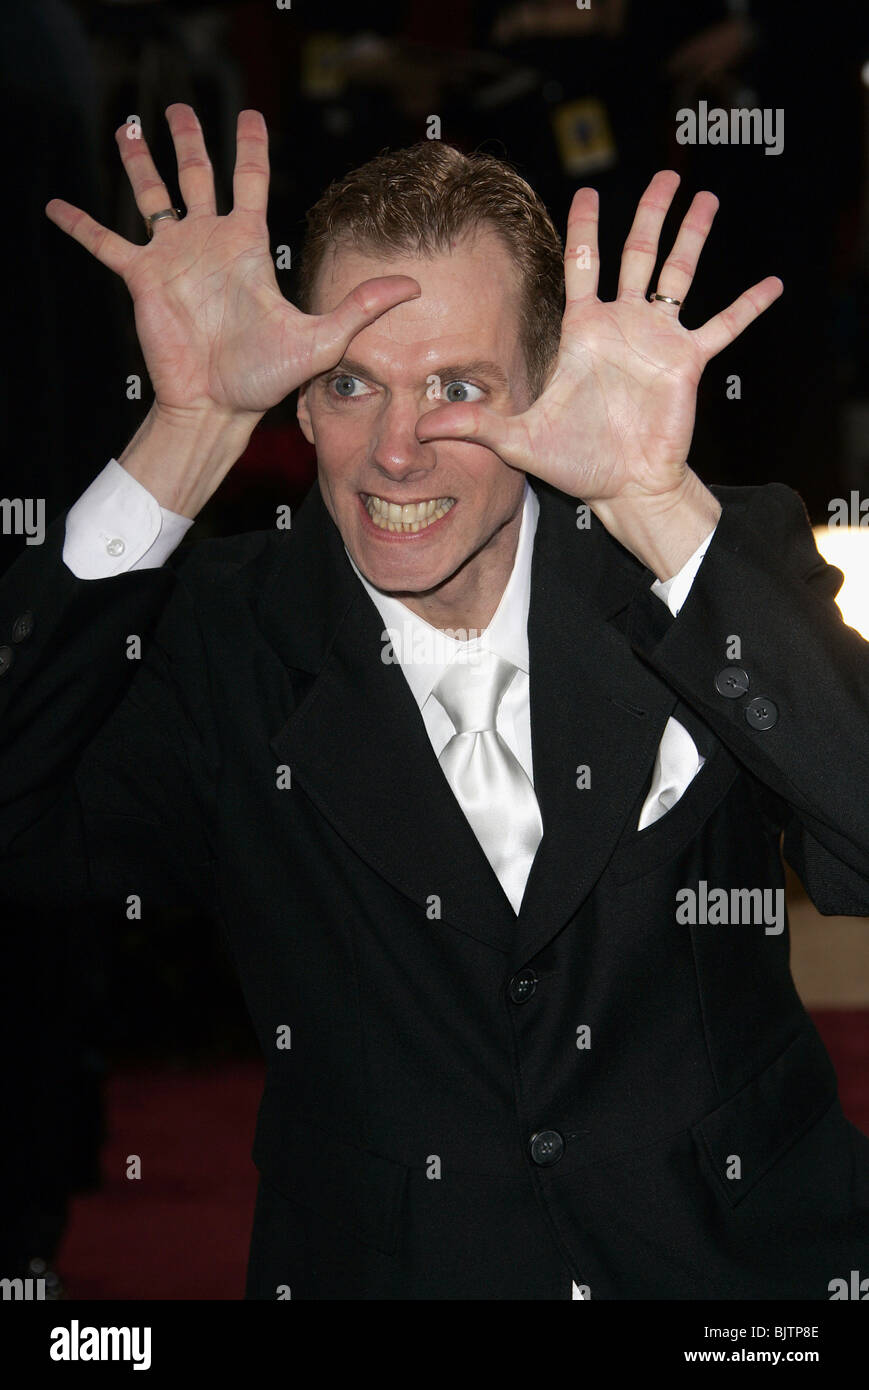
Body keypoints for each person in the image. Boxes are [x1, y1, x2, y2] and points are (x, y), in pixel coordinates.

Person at [2, 103, 868, 1300]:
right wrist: (187, 429)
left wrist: (657, 505)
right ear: (299, 401)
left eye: (456, 385)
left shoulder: (692, 563)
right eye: (351, 382)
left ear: (545, 390)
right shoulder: (219, 642)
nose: (395, 449)